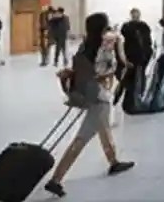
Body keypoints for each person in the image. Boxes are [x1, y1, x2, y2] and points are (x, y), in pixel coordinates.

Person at [43, 12, 134, 198]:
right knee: (82, 138)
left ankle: (113, 161)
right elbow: (109, 68)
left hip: (87, 93)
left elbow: (80, 68)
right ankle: (56, 179)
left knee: (104, 129)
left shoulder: (84, 46)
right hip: (99, 96)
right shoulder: (105, 45)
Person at [115, 9, 152, 107]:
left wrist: (148, 53)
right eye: (134, 15)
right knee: (128, 76)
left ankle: (139, 96)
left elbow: (148, 41)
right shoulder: (126, 26)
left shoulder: (144, 26)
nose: (135, 16)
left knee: (140, 75)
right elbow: (122, 40)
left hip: (142, 55)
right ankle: (125, 97)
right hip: (130, 55)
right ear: (131, 15)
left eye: (137, 15)